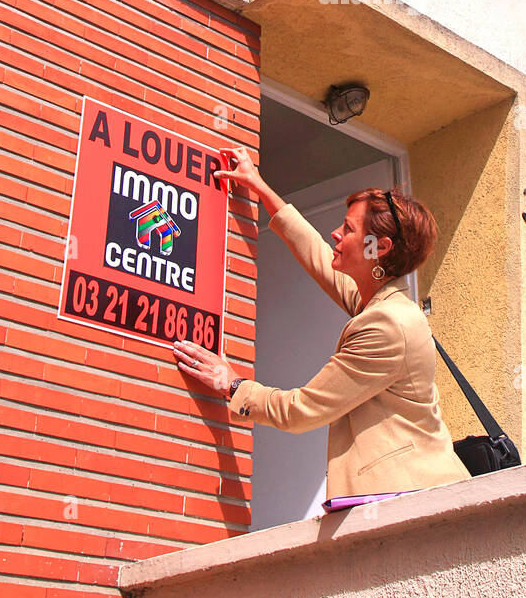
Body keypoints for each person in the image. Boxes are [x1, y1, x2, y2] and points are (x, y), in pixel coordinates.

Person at [173, 146, 471, 503]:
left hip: (406, 501)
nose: (335, 233)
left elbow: (302, 410)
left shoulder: (386, 325)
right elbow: (315, 253)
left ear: (378, 247)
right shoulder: (382, 304)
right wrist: (259, 186)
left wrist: (232, 384)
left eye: (348, 228)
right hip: (405, 498)